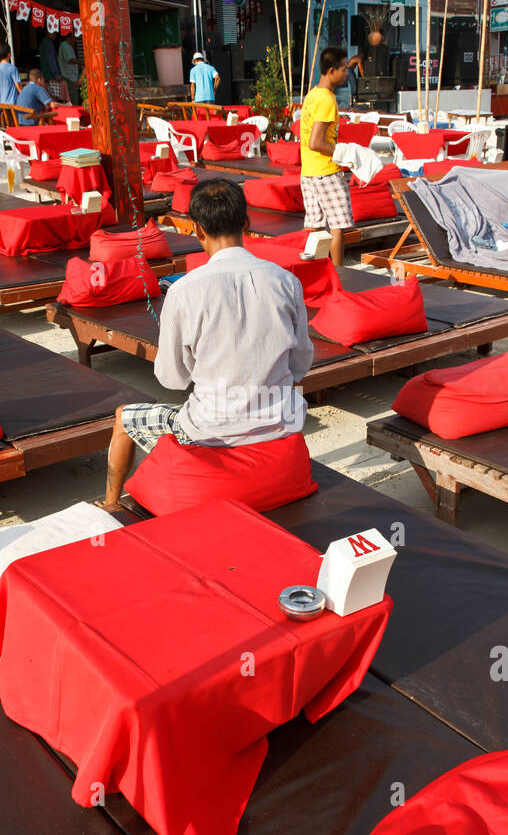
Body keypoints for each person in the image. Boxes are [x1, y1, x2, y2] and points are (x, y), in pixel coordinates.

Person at [103, 179, 314, 508]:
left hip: (208, 430)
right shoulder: (286, 281)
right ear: (246, 223)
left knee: (122, 418)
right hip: (278, 422)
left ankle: (112, 504)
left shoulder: (185, 290)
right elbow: (300, 364)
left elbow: (173, 379)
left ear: (197, 230)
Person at [299, 45, 353, 268]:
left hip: (309, 172)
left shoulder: (312, 95)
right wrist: (344, 153)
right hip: (327, 171)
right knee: (336, 226)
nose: (346, 73)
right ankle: (340, 274)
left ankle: (317, 272)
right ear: (332, 71)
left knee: (316, 227)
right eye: (344, 69)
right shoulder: (327, 100)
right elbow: (316, 142)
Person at [58, 35, 80, 104]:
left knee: (74, 96)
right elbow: (70, 60)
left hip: (72, 76)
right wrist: (82, 62)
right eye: (74, 38)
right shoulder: (65, 45)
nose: (76, 40)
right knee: (73, 98)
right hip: (68, 76)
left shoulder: (69, 46)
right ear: (70, 37)